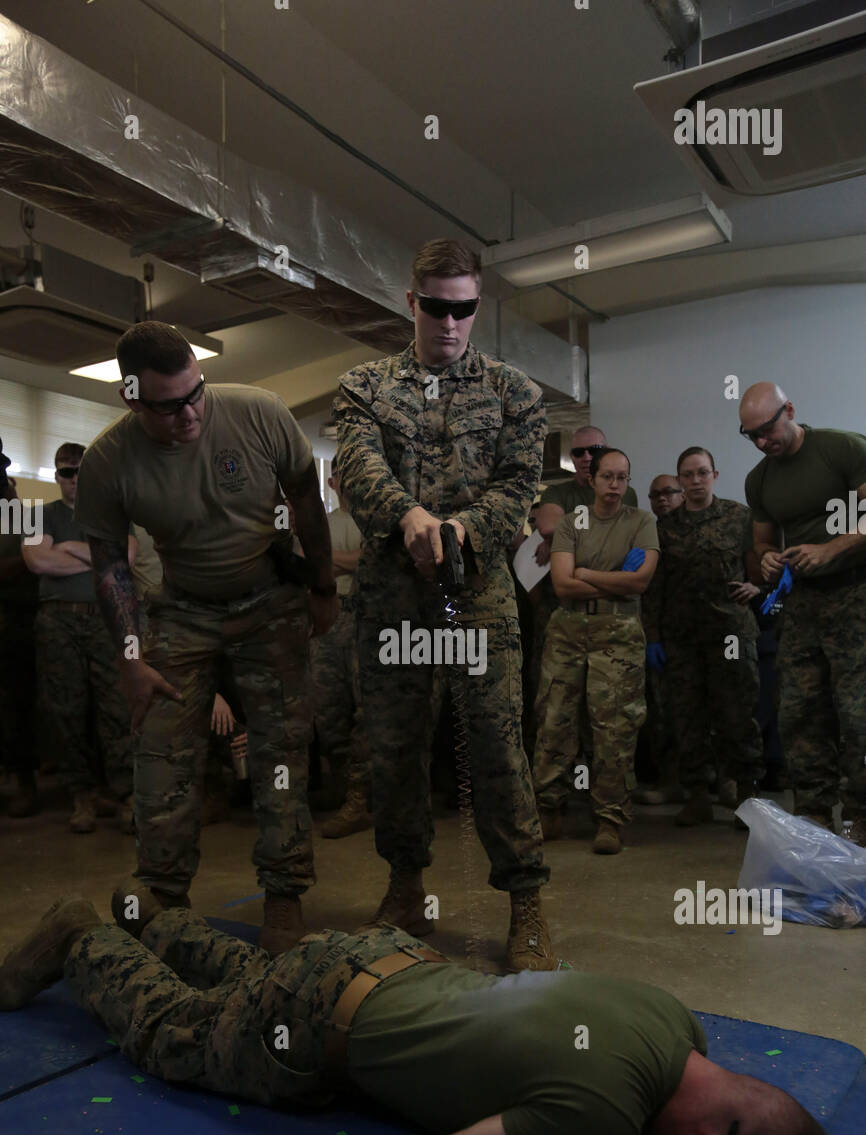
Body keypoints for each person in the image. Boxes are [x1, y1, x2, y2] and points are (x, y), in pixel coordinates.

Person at [0, 889, 843, 1135]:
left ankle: (150, 912)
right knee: (169, 1033)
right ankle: (84, 937)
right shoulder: (601, 1128)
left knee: (241, 976)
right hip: (310, 1026)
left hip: (385, 959)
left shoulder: (678, 1023)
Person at [73, 322, 338, 954]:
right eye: (169, 406)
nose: (191, 414)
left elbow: (306, 499)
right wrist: (132, 656)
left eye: (197, 393)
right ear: (132, 398)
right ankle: (163, 899)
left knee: (280, 757)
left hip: (270, 600)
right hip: (183, 611)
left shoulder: (258, 413)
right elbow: (109, 565)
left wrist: (322, 589)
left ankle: (284, 895)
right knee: (160, 755)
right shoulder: (109, 461)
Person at [334, 238, 554, 972]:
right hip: (393, 597)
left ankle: (525, 902)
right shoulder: (365, 384)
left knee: (495, 745)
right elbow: (355, 463)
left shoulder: (516, 393)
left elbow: (520, 484)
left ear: (476, 307)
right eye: (437, 307)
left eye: (464, 309)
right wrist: (408, 516)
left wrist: (465, 527)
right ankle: (405, 886)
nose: (450, 323)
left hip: (478, 595)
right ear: (412, 302)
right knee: (393, 748)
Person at [741, 383, 866, 841]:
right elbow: (760, 544)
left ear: (789, 411)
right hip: (802, 605)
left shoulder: (842, 449)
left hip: (856, 595)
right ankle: (814, 812)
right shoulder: (760, 479)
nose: (760, 442)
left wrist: (834, 548)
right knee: (800, 711)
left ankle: (860, 816)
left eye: (767, 430)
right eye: (749, 435)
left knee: (858, 714)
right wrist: (769, 560)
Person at [532, 448, 659, 854]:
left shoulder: (641, 521)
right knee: (554, 720)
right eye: (608, 477)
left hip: (618, 631)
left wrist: (585, 572)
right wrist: (612, 579)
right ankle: (549, 810)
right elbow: (562, 585)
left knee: (615, 726)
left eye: (623, 478)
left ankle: (610, 818)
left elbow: (640, 583)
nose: (615, 486)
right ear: (593, 479)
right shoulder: (572, 523)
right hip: (568, 629)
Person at [642, 447, 764, 829]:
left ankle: (746, 796)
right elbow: (655, 588)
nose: (695, 481)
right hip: (682, 640)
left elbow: (760, 562)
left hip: (730, 633)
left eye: (702, 473)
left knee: (737, 715)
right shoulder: (664, 527)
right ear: (680, 480)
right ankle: (697, 796)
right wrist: (654, 637)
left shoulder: (739, 517)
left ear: (714, 474)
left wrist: (756, 586)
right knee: (687, 717)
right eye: (688, 475)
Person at [22, 443, 135, 833]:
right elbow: (37, 560)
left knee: (116, 707)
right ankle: (81, 795)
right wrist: (95, 557)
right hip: (58, 621)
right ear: (56, 476)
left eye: (79, 472)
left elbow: (126, 559)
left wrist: (67, 547)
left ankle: (125, 794)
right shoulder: (41, 516)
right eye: (65, 473)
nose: (72, 479)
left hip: (105, 620)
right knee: (65, 709)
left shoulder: (109, 514)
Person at [308, 470, 372, 839]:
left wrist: (327, 560)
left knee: (366, 708)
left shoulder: (372, 520)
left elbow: (367, 562)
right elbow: (307, 563)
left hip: (364, 616)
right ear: (331, 483)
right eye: (339, 476)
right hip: (326, 615)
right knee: (328, 708)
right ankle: (344, 786)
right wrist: (341, 560)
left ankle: (361, 796)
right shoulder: (320, 521)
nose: (347, 482)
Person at [634, 475, 685, 805]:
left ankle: (726, 784)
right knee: (665, 715)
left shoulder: (725, 519)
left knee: (719, 711)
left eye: (669, 493)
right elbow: (648, 592)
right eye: (655, 495)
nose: (662, 499)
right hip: (663, 636)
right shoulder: (648, 533)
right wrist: (652, 636)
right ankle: (673, 781)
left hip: (706, 634)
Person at [0, 447, 40, 816]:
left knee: (17, 708)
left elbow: (36, 560)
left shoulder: (15, 512)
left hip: (16, 624)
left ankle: (23, 781)